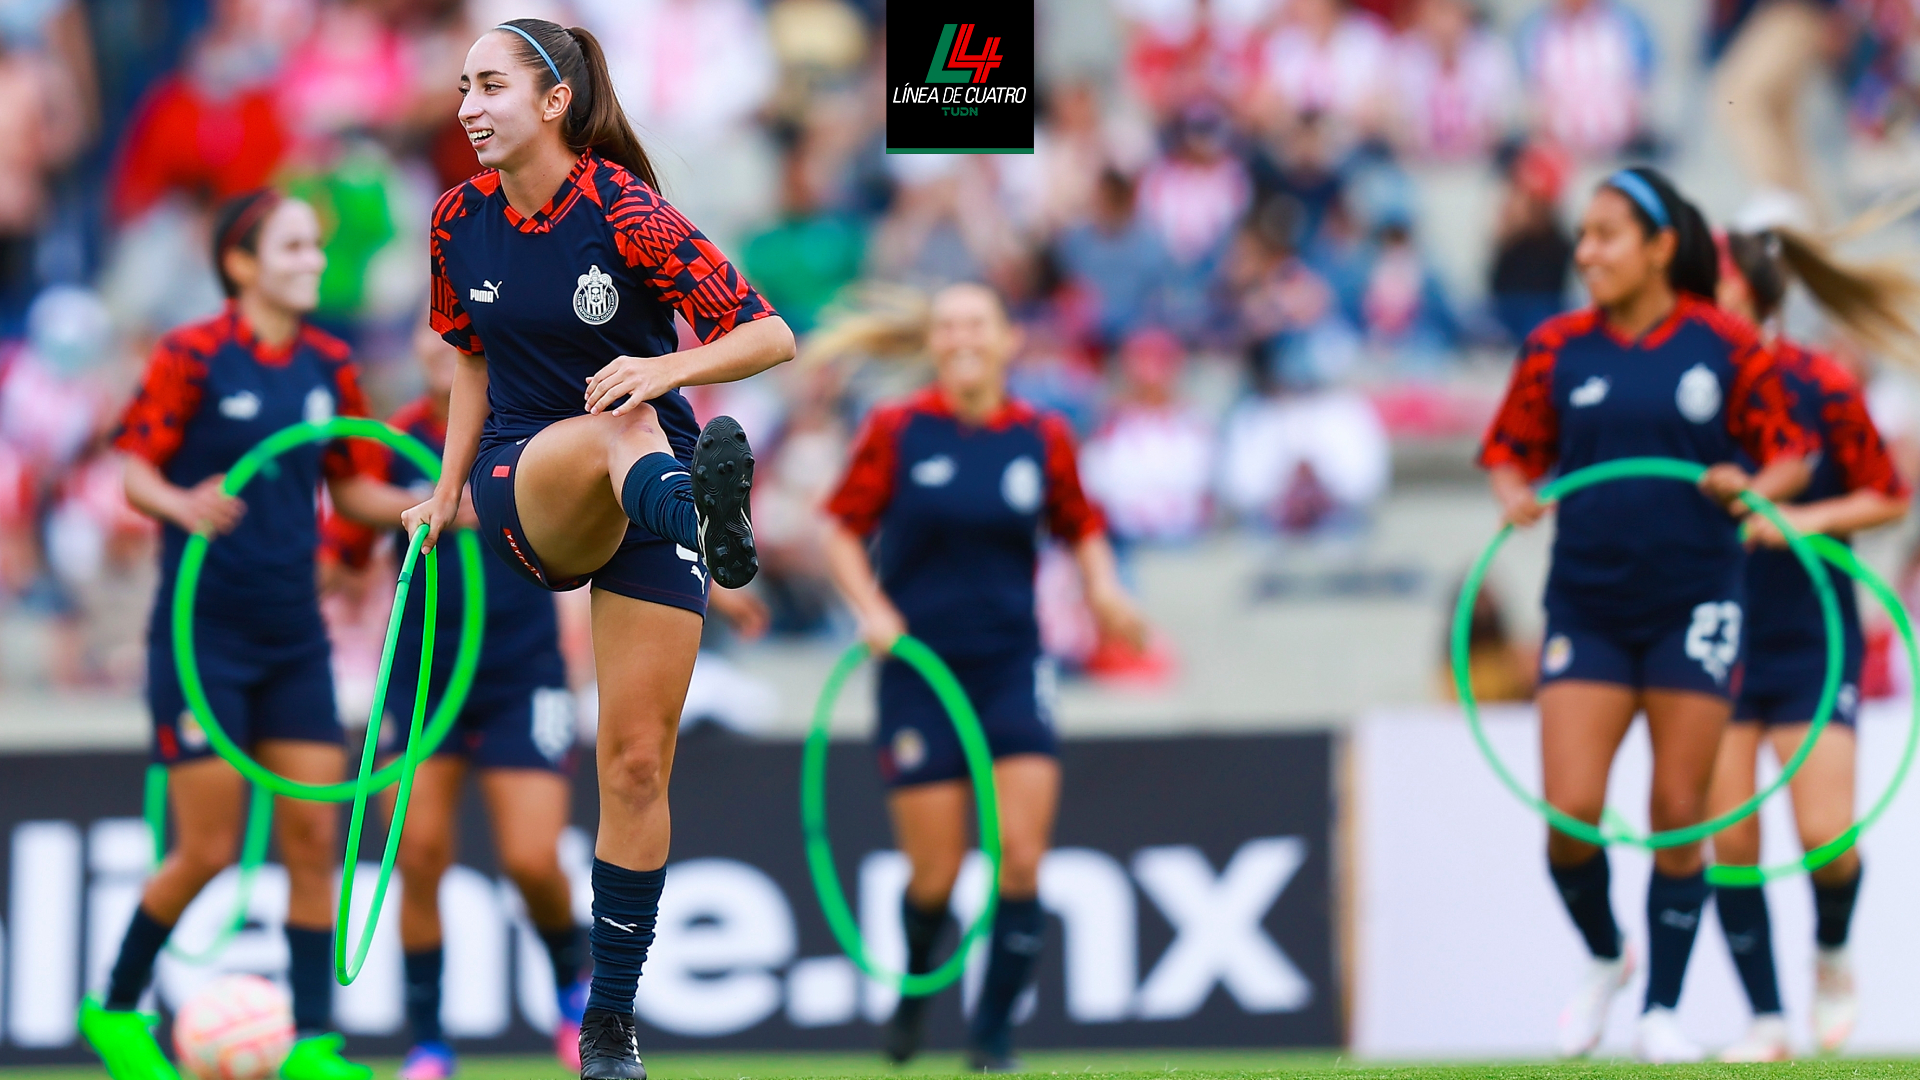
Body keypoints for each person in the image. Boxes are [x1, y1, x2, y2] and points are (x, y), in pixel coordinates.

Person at [399, 19, 794, 1080]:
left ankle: (609, 1031)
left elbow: (768, 335)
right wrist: (443, 495)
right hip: (528, 480)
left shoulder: (627, 208)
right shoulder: (456, 220)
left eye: (489, 86)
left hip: (642, 472)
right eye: (464, 87)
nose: (468, 106)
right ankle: (705, 521)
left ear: (553, 99)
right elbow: (469, 367)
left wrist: (663, 373)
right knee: (621, 420)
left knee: (632, 763)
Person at [80, 189, 421, 1080]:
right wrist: (181, 502)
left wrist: (429, 506)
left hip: (294, 637)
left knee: (314, 838)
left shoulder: (330, 364)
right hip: (203, 639)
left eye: (317, 247)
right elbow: (134, 472)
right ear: (242, 263)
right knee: (207, 849)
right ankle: (114, 1010)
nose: (314, 260)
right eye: (296, 246)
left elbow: (352, 492)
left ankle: (314, 1044)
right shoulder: (191, 355)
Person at [1477, 167, 1815, 1063]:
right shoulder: (1555, 348)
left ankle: (1660, 1010)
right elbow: (1509, 450)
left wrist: (1753, 485)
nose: (1584, 252)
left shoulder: (1726, 346)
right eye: (1581, 236)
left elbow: (1790, 454)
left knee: (1677, 810)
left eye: (1604, 235)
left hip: (1695, 603)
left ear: (1661, 247)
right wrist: (1517, 494)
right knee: (1571, 812)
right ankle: (1604, 954)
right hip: (1586, 606)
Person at [820, 283, 1147, 1071]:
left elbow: (1083, 524)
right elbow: (839, 528)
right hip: (917, 672)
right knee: (934, 873)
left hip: (1011, 665)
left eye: (977, 324)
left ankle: (992, 1038)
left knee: (1024, 855)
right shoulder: (897, 429)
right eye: (948, 326)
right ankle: (914, 999)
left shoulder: (1042, 434)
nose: (962, 337)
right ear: (934, 345)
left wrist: (1104, 588)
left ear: (1007, 341)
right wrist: (871, 608)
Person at [331, 321, 589, 1080]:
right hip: (419, 676)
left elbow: (571, 520)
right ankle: (428, 1042)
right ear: (414, 351)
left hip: (520, 669)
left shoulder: (532, 423)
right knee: (418, 854)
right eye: (428, 336)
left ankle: (573, 992)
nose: (440, 348)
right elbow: (343, 550)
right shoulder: (392, 441)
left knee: (534, 858)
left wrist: (458, 505)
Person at [1706, 225, 1918, 1062]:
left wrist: (1803, 522)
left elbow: (1888, 497)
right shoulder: (1680, 390)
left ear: (1752, 296)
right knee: (1732, 840)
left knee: (1827, 838)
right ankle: (1765, 1019)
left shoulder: (1821, 384)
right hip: (1714, 644)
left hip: (1808, 642)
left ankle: (1831, 955)